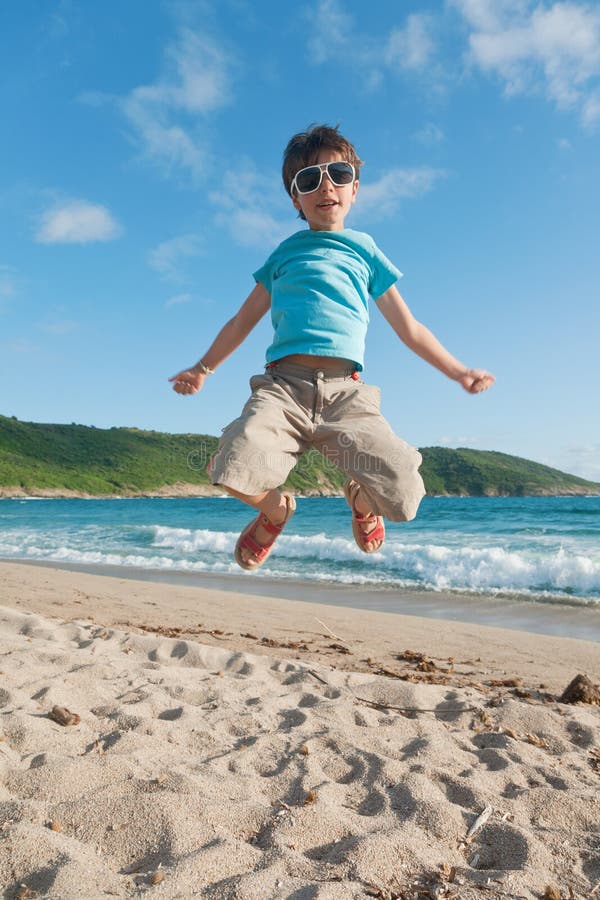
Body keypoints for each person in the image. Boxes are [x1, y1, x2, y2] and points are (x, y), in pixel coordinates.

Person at [170, 124, 494, 571]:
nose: (325, 185)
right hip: (283, 389)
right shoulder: (284, 255)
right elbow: (241, 321)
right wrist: (203, 367)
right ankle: (276, 510)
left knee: (404, 497)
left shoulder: (364, 250)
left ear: (354, 187)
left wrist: (459, 371)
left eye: (337, 173)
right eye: (308, 179)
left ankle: (362, 500)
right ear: (295, 199)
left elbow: (409, 328)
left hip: (347, 395)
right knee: (227, 466)